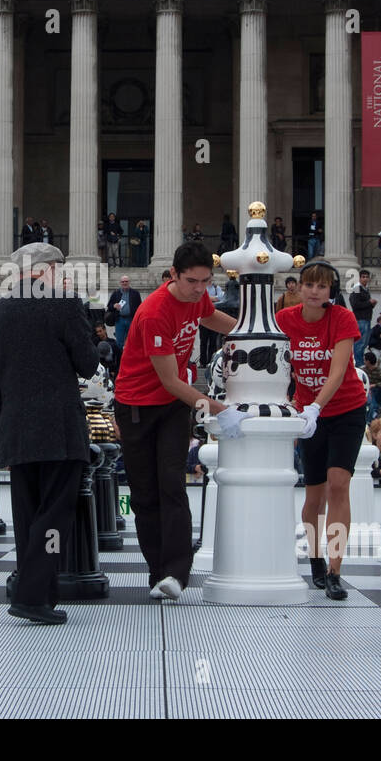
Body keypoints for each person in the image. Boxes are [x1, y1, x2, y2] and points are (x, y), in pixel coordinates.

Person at [0, 243, 101, 625]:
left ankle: (40, 593)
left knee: (28, 515)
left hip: (16, 429)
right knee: (54, 517)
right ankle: (32, 596)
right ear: (46, 270)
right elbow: (88, 363)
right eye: (60, 271)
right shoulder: (64, 305)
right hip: (60, 429)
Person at [112, 242, 240, 601]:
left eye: (205, 281)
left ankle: (177, 572)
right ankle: (158, 570)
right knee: (145, 493)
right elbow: (170, 379)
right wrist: (219, 409)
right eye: (191, 281)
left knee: (172, 482)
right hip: (137, 406)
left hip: (172, 405)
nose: (199, 289)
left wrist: (246, 332)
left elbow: (210, 315)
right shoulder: (154, 313)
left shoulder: (197, 297)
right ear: (173, 275)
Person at [277, 262, 369, 600]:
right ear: (298, 288)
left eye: (323, 286)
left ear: (332, 291)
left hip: (345, 409)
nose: (316, 291)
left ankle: (335, 569)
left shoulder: (341, 318)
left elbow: (338, 369)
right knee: (313, 496)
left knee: (338, 485)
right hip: (307, 417)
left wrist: (317, 405)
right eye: (309, 285)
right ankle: (315, 560)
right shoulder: (285, 320)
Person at [349, 269, 377, 367]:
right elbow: (355, 304)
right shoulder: (357, 288)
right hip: (360, 319)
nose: (365, 279)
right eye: (363, 277)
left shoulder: (365, 289)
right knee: (360, 343)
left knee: (364, 343)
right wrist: (369, 303)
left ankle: (360, 362)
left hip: (367, 318)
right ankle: (359, 363)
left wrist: (372, 304)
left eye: (367, 277)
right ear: (360, 278)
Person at [106, 275, 142, 350]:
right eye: (123, 282)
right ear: (120, 283)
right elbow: (109, 306)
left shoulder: (135, 293)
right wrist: (114, 306)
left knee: (132, 340)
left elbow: (140, 307)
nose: (124, 283)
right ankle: (120, 359)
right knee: (119, 342)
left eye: (126, 281)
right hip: (119, 320)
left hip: (131, 320)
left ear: (129, 282)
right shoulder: (116, 293)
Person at [362, 350, 381, 422]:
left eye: (364, 360)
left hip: (376, 391)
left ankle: (374, 411)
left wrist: (375, 385)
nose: (363, 362)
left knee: (373, 401)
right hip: (368, 392)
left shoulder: (379, 371)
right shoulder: (363, 370)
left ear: (368, 361)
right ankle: (373, 412)